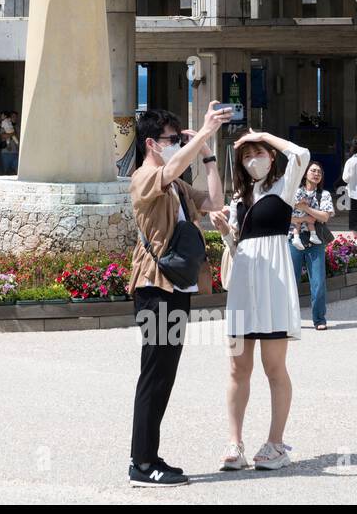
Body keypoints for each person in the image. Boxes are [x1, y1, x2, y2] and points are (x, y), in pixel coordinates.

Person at [127, 101, 230, 488]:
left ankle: (149, 456)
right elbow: (169, 169)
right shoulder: (143, 178)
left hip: (177, 287)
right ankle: (141, 462)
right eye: (173, 139)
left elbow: (214, 202)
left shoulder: (175, 185)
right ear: (153, 143)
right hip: (155, 288)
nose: (177, 144)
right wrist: (203, 132)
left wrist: (208, 158)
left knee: (164, 374)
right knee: (154, 374)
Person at [210, 130, 310, 473]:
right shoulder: (240, 196)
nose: (254, 159)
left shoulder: (284, 186)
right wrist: (224, 229)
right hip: (244, 283)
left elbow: (302, 153)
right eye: (247, 154)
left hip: (274, 285)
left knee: (274, 367)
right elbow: (237, 247)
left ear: (270, 154)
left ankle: (275, 443)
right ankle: (234, 443)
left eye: (260, 152)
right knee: (238, 367)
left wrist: (264, 134)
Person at [289, 161, 335, 330]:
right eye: (313, 170)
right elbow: (285, 216)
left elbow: (324, 217)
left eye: (319, 172)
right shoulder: (294, 192)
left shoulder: (324, 194)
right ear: (305, 173)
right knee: (291, 281)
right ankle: (290, 320)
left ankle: (319, 319)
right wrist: (306, 219)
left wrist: (304, 208)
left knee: (318, 281)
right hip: (294, 238)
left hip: (315, 241)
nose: (316, 174)